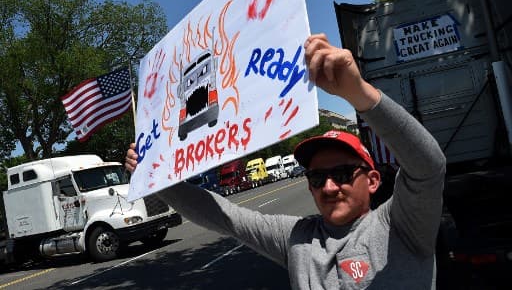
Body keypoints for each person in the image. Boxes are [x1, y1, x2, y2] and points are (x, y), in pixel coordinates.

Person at [125, 33, 446, 289]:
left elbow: (428, 167)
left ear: (373, 180)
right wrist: (155, 178)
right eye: (318, 178)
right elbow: (223, 217)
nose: (330, 186)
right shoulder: (296, 237)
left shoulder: (400, 226)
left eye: (344, 173)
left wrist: (359, 93)